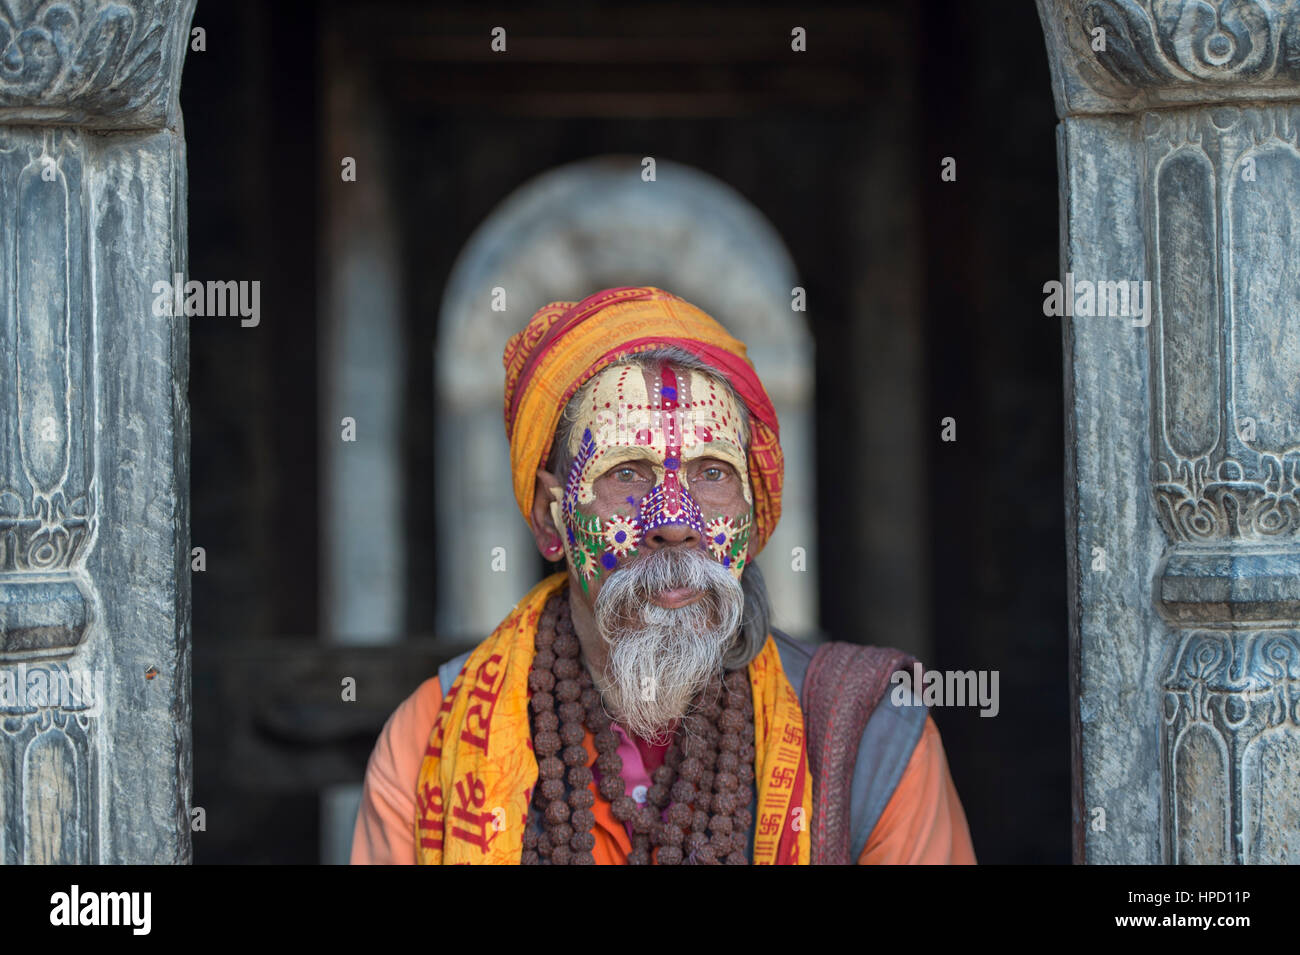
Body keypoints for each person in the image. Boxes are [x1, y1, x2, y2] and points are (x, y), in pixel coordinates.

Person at [351, 285, 975, 865]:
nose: (674, 522)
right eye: (626, 473)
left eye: (711, 472)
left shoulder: (873, 744)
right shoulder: (429, 742)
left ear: (751, 518)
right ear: (551, 517)